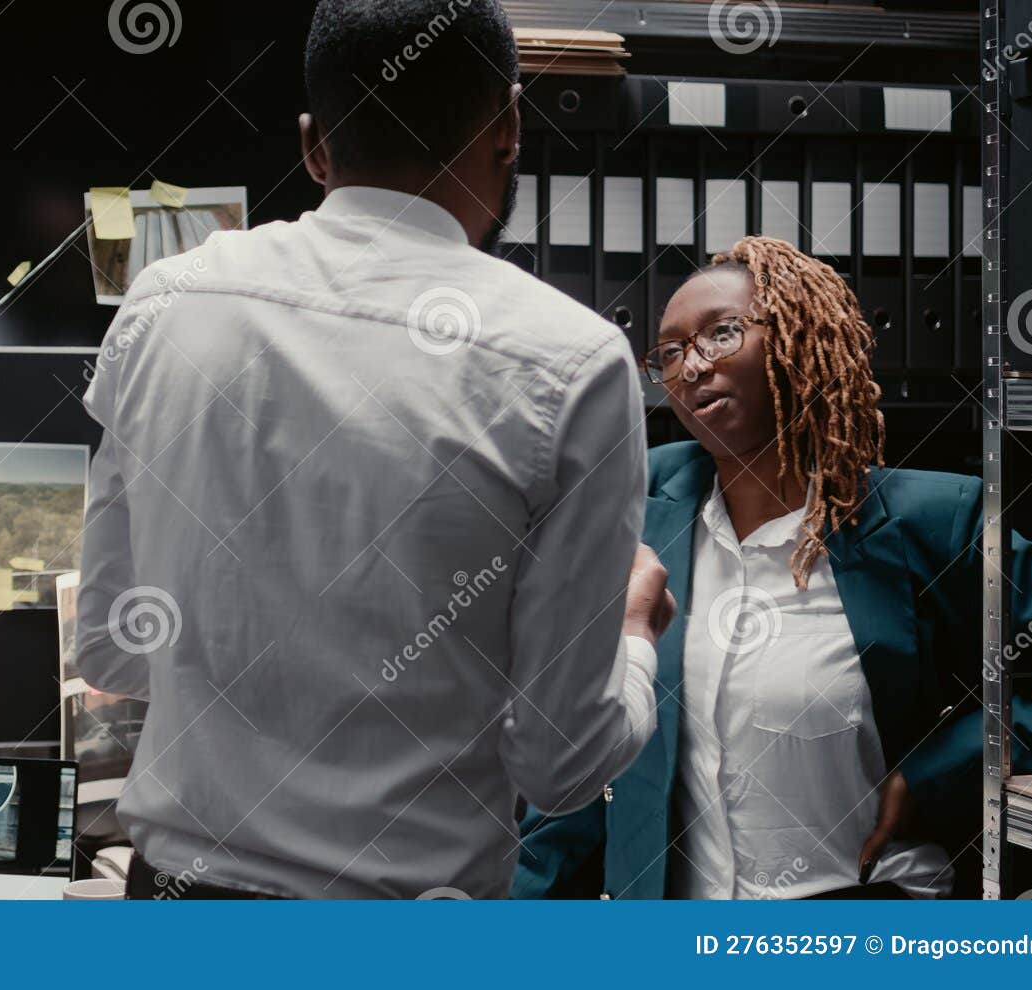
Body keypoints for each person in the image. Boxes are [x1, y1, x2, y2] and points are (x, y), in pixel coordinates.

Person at [74, 0, 674, 900]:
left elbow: (113, 651)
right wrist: (632, 634)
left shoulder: (163, 302)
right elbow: (562, 766)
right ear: (510, 127)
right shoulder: (573, 360)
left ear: (314, 146)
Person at [514, 236, 1032, 899]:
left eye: (722, 333)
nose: (692, 366)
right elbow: (581, 754)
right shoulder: (635, 514)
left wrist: (947, 768)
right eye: (669, 353)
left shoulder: (933, 521)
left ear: (800, 337)